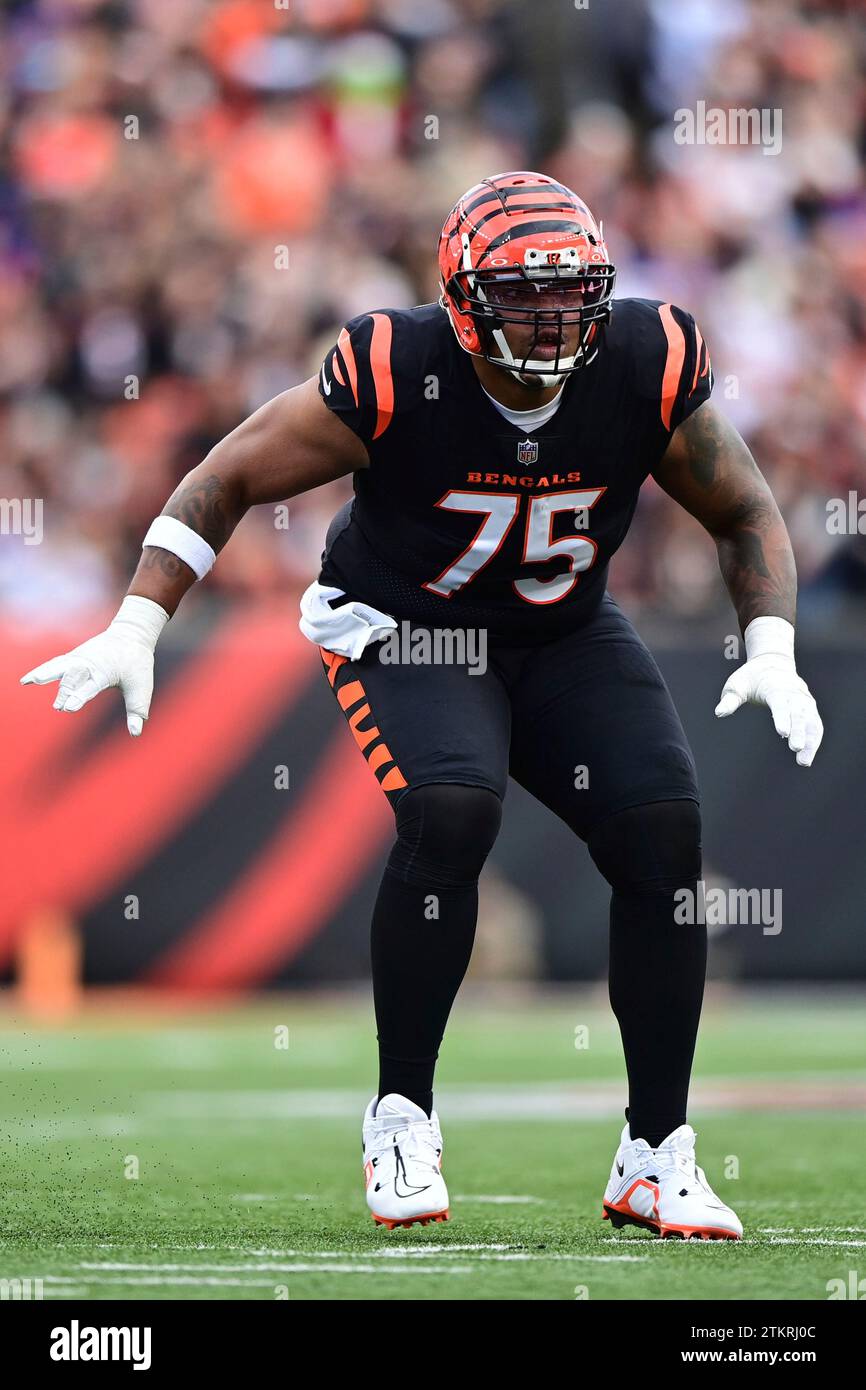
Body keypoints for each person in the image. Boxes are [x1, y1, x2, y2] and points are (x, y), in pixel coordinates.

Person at [22, 171, 823, 1241]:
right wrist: (137, 621)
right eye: (520, 297)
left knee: (662, 831)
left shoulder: (643, 361)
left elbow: (740, 507)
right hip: (403, 624)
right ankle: (401, 1111)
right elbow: (227, 476)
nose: (548, 322)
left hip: (560, 631)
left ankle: (655, 1151)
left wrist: (768, 642)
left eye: (568, 294)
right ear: (458, 297)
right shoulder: (397, 371)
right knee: (450, 809)